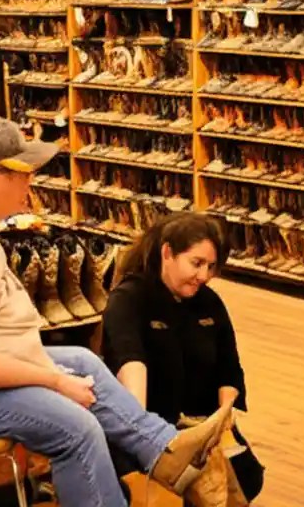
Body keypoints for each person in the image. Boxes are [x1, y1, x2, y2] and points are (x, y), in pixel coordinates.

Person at [0, 117, 233, 507]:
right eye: (22, 174)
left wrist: (57, 374)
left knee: (81, 360)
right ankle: (162, 464)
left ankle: (167, 452)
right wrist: (55, 381)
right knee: (76, 428)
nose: (31, 182)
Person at [103, 212, 264, 502]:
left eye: (211, 267)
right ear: (167, 253)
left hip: (201, 427)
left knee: (247, 475)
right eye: (196, 263)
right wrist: (141, 427)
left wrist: (222, 423)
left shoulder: (209, 303)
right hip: (152, 426)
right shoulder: (130, 298)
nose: (204, 276)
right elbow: (130, 361)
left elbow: (229, 368)